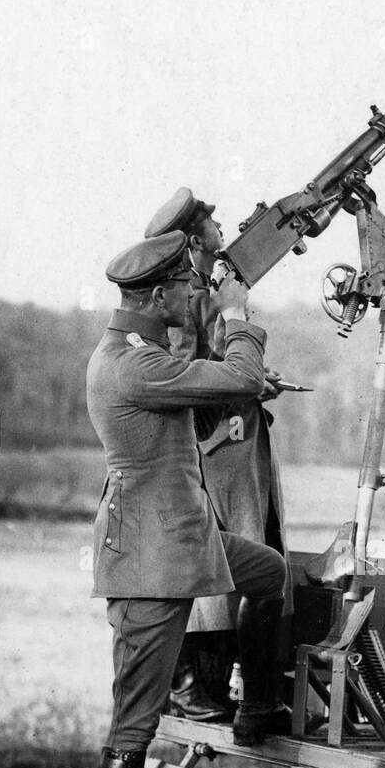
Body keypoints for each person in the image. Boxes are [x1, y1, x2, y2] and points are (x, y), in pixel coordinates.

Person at [82, 230, 286, 768]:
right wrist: (238, 316)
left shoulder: (140, 358)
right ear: (162, 292)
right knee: (132, 726)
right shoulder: (134, 365)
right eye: (189, 286)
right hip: (151, 563)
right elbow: (239, 379)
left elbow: (202, 399)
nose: (195, 292)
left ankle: (263, 694)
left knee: (273, 575)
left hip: (182, 540)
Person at [143, 188, 293, 730]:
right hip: (213, 452)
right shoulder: (188, 301)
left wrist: (255, 384)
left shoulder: (207, 289)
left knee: (243, 566)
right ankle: (189, 688)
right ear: (192, 240)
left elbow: (220, 366)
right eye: (209, 220)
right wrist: (237, 388)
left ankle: (225, 690)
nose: (219, 222)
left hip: (235, 445)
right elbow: (183, 379)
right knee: (208, 572)